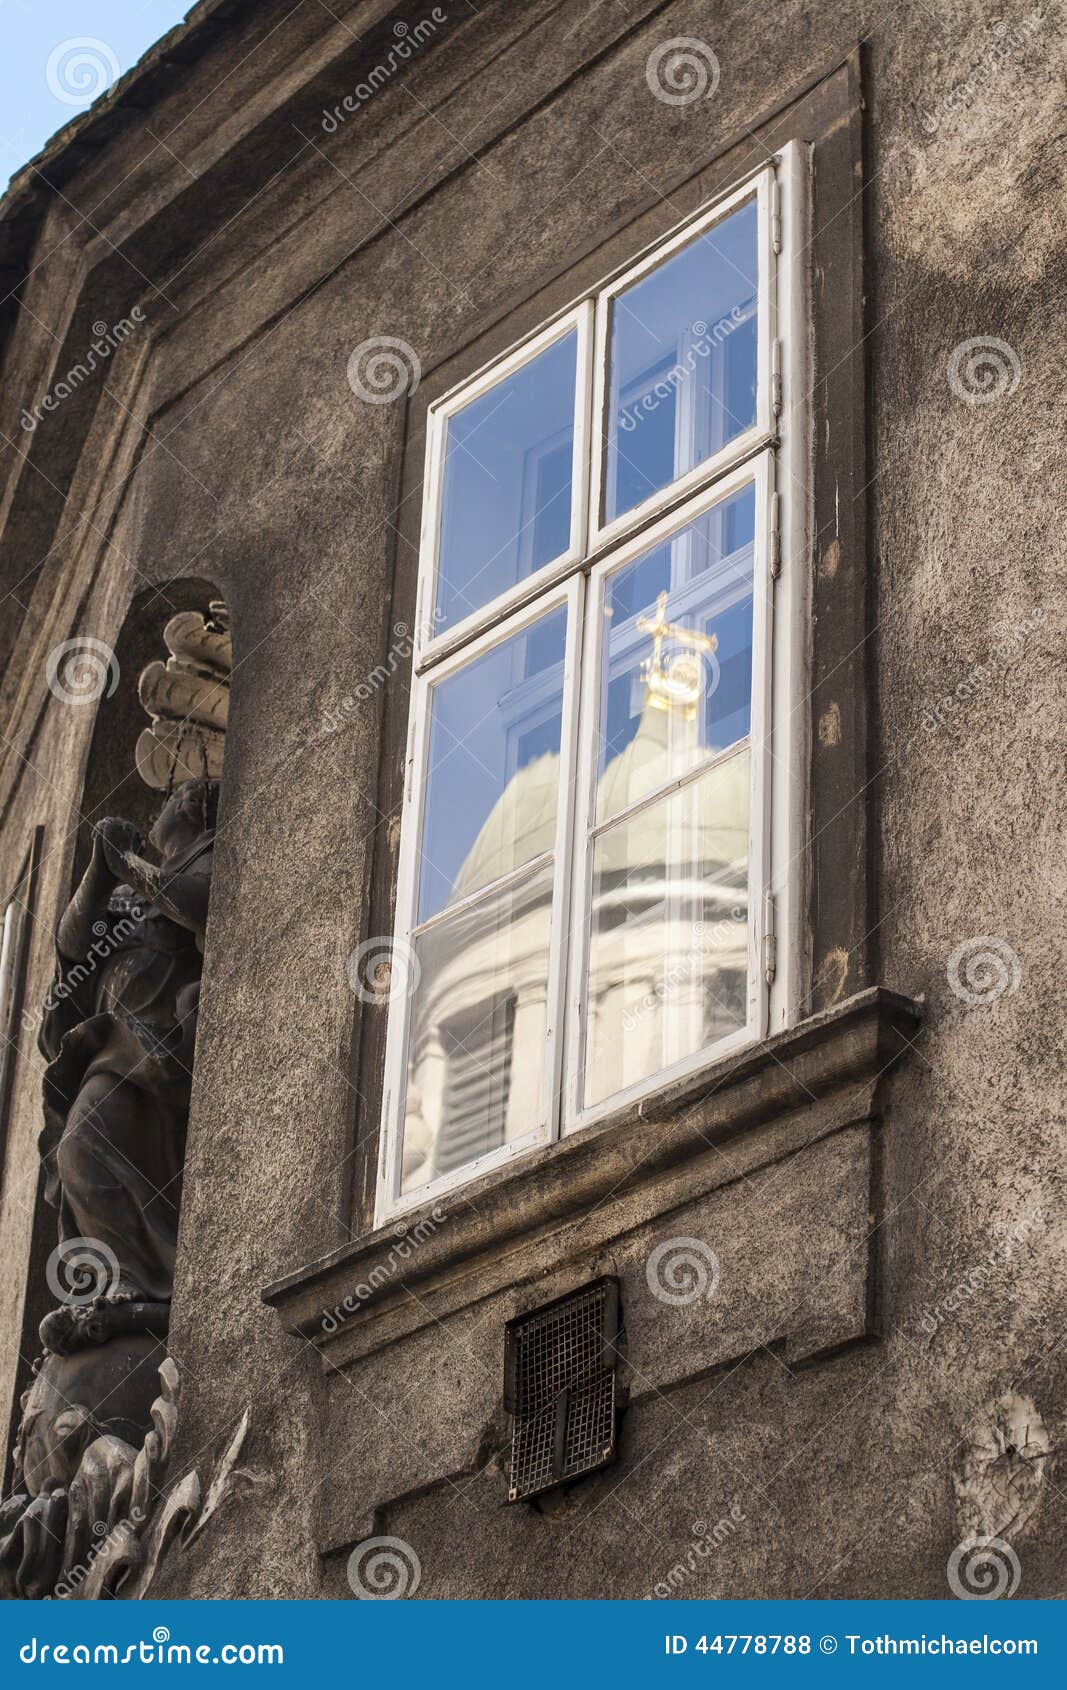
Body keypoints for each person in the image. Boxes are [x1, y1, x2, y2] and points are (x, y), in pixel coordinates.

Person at [37, 779, 217, 1347]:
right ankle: (127, 1279)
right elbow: (72, 946)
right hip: (114, 1046)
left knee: (85, 1141)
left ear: (192, 809)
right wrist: (100, 869)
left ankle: (151, 1282)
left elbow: (199, 904)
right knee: (79, 1151)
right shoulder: (124, 897)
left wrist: (132, 866)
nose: (159, 808)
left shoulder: (212, 853)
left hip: (161, 1044)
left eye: (170, 798)